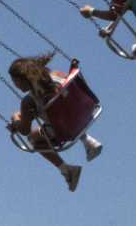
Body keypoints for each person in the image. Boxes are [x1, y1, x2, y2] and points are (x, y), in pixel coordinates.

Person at [8, 55, 102, 192]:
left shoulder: (28, 102)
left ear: (24, 79)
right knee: (64, 110)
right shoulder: (56, 74)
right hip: (84, 110)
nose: (15, 85)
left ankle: (67, 170)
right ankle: (88, 140)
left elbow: (24, 130)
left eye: (15, 81)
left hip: (64, 130)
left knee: (33, 139)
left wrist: (15, 119)